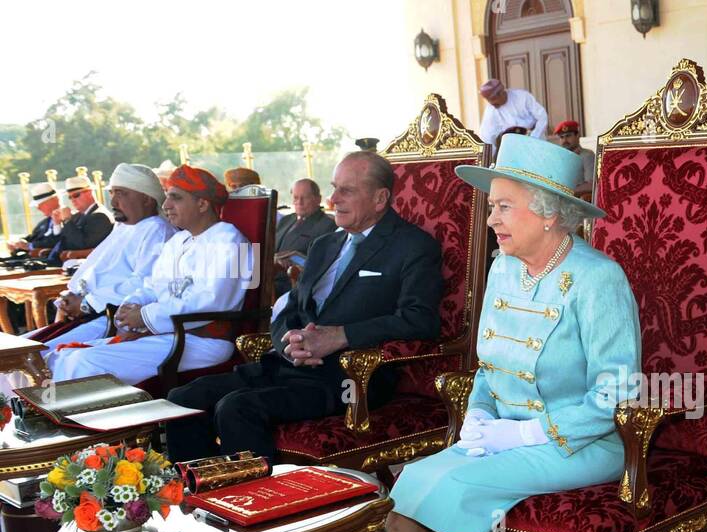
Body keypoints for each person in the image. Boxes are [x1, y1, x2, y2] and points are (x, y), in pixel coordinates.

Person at [373, 134, 640, 532]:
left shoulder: (598, 279)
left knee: (454, 492)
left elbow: (616, 395)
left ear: (549, 214)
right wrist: (478, 415)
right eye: (491, 206)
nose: (491, 219)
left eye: (503, 207)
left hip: (583, 442)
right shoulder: (503, 267)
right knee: (404, 495)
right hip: (500, 434)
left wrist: (523, 434)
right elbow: (488, 367)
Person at [165, 152, 443, 463]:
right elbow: (290, 306)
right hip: (288, 364)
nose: (333, 199)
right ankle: (204, 486)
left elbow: (421, 319)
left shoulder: (412, 246)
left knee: (236, 407)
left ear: (380, 198)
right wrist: (290, 344)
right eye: (334, 188)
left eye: (347, 190)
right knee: (182, 399)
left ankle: (261, 494)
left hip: (351, 379)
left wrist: (340, 335)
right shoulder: (325, 245)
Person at [34, 165, 248, 386]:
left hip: (203, 341)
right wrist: (130, 309)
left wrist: (145, 317)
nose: (166, 205)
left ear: (202, 204)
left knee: (83, 363)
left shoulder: (230, 241)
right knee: (60, 357)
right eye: (167, 197)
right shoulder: (179, 240)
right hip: (167, 332)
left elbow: (211, 302)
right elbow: (153, 286)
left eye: (175, 198)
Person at [36, 164, 174, 344]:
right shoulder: (124, 227)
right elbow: (97, 267)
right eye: (112, 193)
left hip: (112, 319)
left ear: (147, 199)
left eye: (121, 194)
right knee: (22, 349)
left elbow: (145, 283)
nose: (113, 202)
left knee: (40, 354)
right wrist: (71, 297)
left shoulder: (157, 230)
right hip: (88, 313)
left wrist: (88, 303)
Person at [272, 178, 336, 294]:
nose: (299, 202)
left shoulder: (327, 225)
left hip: (295, 286)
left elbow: (322, 265)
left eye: (305, 198)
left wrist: (294, 258)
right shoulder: (286, 220)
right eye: (295, 198)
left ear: (318, 199)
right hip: (269, 279)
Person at [51, 174, 114, 260]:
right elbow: (63, 242)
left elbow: (82, 245)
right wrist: (57, 224)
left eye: (76, 195)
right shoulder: (78, 216)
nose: (73, 200)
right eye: (70, 197)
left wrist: (67, 220)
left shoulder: (100, 216)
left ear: (89, 193)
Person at [478, 79, 549, 154]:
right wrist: (487, 157)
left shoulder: (522, 97)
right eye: (489, 101)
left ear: (501, 93)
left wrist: (534, 137)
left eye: (493, 100)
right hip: (513, 148)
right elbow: (487, 137)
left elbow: (542, 117)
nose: (492, 104)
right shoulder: (491, 111)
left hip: (535, 141)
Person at [9, 183, 62, 254]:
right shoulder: (43, 223)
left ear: (55, 200)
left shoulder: (68, 219)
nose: (39, 208)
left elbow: (56, 241)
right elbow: (32, 237)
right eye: (37, 205)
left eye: (42, 204)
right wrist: (17, 244)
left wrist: (30, 246)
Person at [554, 119, 595, 200]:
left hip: (577, 201)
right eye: (562, 137)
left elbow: (591, 185)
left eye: (568, 136)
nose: (565, 140)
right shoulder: (557, 158)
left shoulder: (587, 156)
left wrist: (566, 192)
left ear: (577, 136)